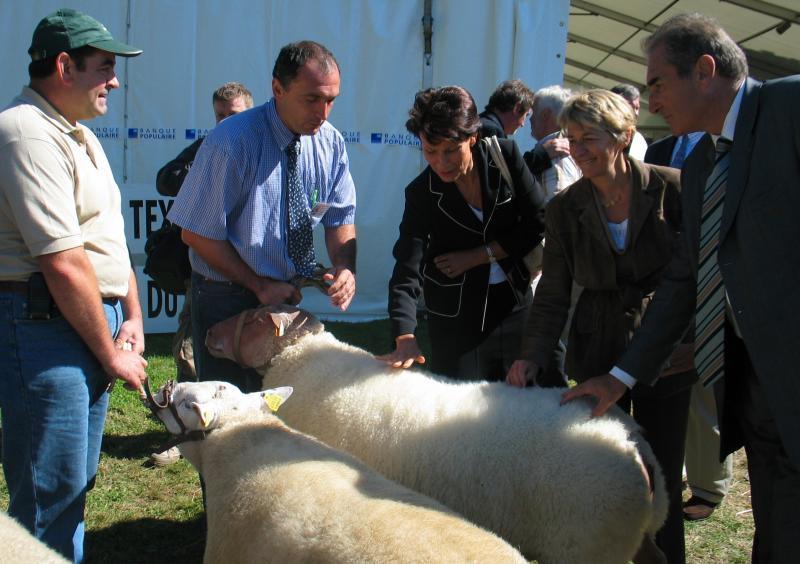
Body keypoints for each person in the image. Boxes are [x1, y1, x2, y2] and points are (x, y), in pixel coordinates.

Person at [562, 13, 800, 562]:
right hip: (756, 385)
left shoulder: (790, 108)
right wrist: (621, 378)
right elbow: (684, 280)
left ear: (705, 70)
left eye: (657, 83)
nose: (653, 101)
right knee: (778, 531)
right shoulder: (699, 165)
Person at [507, 89, 693, 563]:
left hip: (665, 354)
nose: (579, 149)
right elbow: (551, 294)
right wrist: (531, 354)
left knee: (662, 474)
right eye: (572, 138)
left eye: (590, 137)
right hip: (595, 352)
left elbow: (694, 279)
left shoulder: (676, 188)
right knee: (604, 467)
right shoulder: (565, 209)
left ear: (624, 136)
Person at [0, 8, 148, 561]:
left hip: (79, 327)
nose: (114, 80)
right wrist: (111, 351)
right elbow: (62, 262)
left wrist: (131, 317)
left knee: (70, 485)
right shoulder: (24, 133)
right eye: (105, 67)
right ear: (64, 65)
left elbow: (107, 242)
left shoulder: (77, 135)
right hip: (46, 330)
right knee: (49, 493)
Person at [168, 41, 356, 394]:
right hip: (227, 295)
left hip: (283, 296)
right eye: (312, 99)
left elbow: (340, 216)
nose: (324, 112)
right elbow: (196, 234)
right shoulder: (233, 141)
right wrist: (259, 285)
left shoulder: (330, 142)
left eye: (331, 100)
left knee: (279, 408)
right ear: (277, 89)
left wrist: (345, 265)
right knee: (227, 413)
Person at [378, 86, 562, 385]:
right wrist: (405, 333)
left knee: (534, 396)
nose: (442, 163)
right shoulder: (420, 193)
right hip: (457, 322)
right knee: (461, 414)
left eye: (451, 150)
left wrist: (480, 255)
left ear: (472, 137)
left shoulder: (506, 156)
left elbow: (538, 221)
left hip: (515, 303)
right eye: (430, 152)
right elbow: (406, 268)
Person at [150, 82, 253, 467]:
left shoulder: (262, 146)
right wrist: (203, 167)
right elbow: (166, 178)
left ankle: (244, 428)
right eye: (221, 117)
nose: (227, 123)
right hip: (207, 272)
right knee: (191, 350)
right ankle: (187, 430)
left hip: (253, 272)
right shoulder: (209, 146)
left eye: (235, 116)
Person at [646, 132, 733, 522]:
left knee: (706, 388)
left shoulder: (730, 144)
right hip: (668, 283)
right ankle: (676, 472)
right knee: (671, 385)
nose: (658, 100)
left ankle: (708, 486)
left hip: (713, 279)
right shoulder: (661, 148)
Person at [528, 85, 582, 203]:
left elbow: (556, 208)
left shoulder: (556, 157)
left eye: (533, 112)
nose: (530, 119)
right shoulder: (564, 151)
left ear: (545, 115)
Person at [611, 83, 648, 160]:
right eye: (630, 106)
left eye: (637, 108)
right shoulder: (600, 134)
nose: (635, 113)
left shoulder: (639, 140)